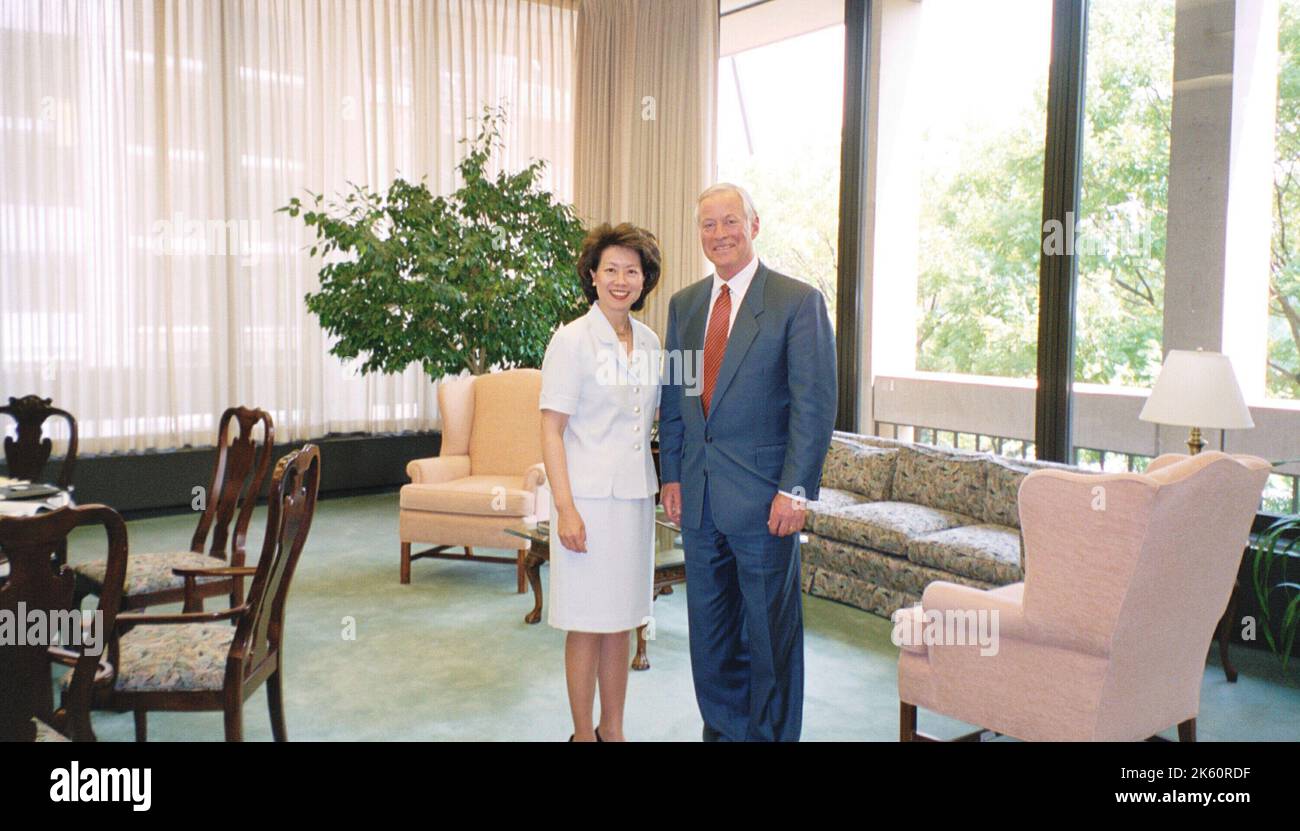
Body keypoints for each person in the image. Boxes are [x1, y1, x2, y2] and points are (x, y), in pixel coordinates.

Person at [658, 183, 837, 742]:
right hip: (701, 500)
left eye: (730, 221)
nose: (720, 234)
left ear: (754, 227)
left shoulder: (795, 301)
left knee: (769, 636)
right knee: (709, 634)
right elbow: (678, 397)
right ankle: (724, 731)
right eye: (708, 225)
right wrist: (671, 475)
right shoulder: (686, 305)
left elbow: (814, 406)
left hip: (765, 502)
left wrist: (796, 491)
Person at [539, 222, 662, 742]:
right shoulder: (570, 340)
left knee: (621, 619)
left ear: (643, 280)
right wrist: (564, 509)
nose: (620, 280)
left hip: (634, 501)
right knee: (586, 621)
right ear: (592, 276)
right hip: (585, 504)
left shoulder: (654, 342)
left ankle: (613, 730)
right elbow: (551, 428)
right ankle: (580, 735)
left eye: (631, 271)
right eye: (609, 269)